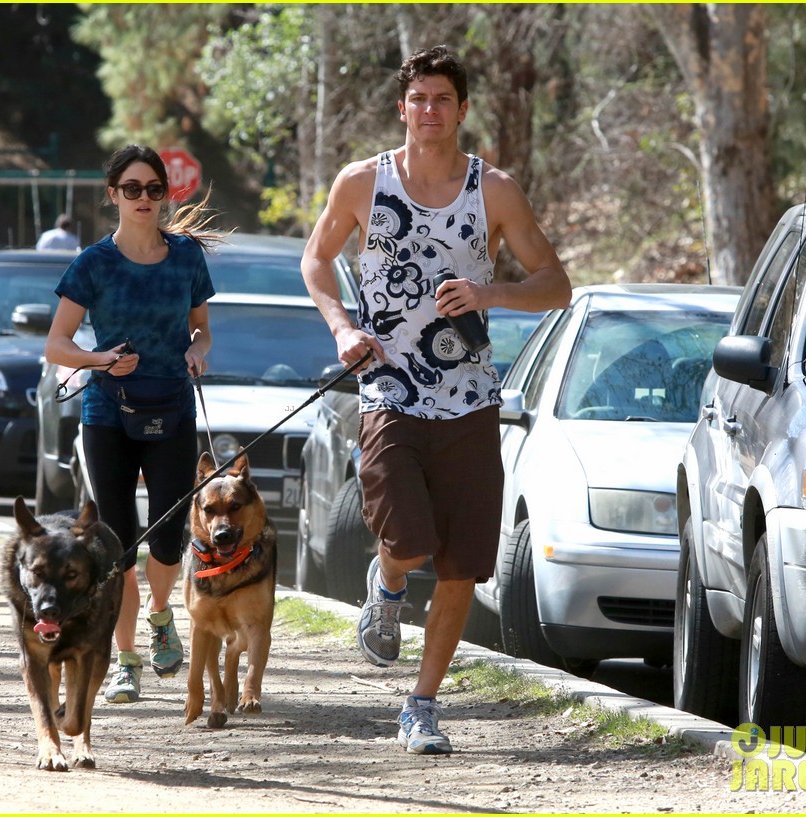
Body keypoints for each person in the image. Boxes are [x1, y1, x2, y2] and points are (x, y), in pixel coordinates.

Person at [300, 45, 571, 755]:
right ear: (402, 108)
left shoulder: (496, 191)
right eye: (417, 99)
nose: (429, 111)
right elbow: (315, 258)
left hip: (471, 395)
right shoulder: (364, 183)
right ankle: (385, 584)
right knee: (410, 540)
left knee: (460, 564)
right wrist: (341, 327)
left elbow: (556, 284)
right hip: (388, 386)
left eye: (442, 99)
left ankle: (421, 705)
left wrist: (492, 292)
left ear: (461, 109)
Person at [45, 145, 224, 704]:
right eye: (132, 189)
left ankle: (161, 613)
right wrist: (101, 361)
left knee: (169, 538)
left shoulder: (187, 258)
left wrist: (199, 351)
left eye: (154, 189)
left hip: (172, 406)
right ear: (113, 195)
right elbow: (57, 344)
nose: (144, 198)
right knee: (119, 545)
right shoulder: (93, 264)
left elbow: (202, 329)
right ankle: (125, 661)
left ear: (166, 194)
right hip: (107, 413)